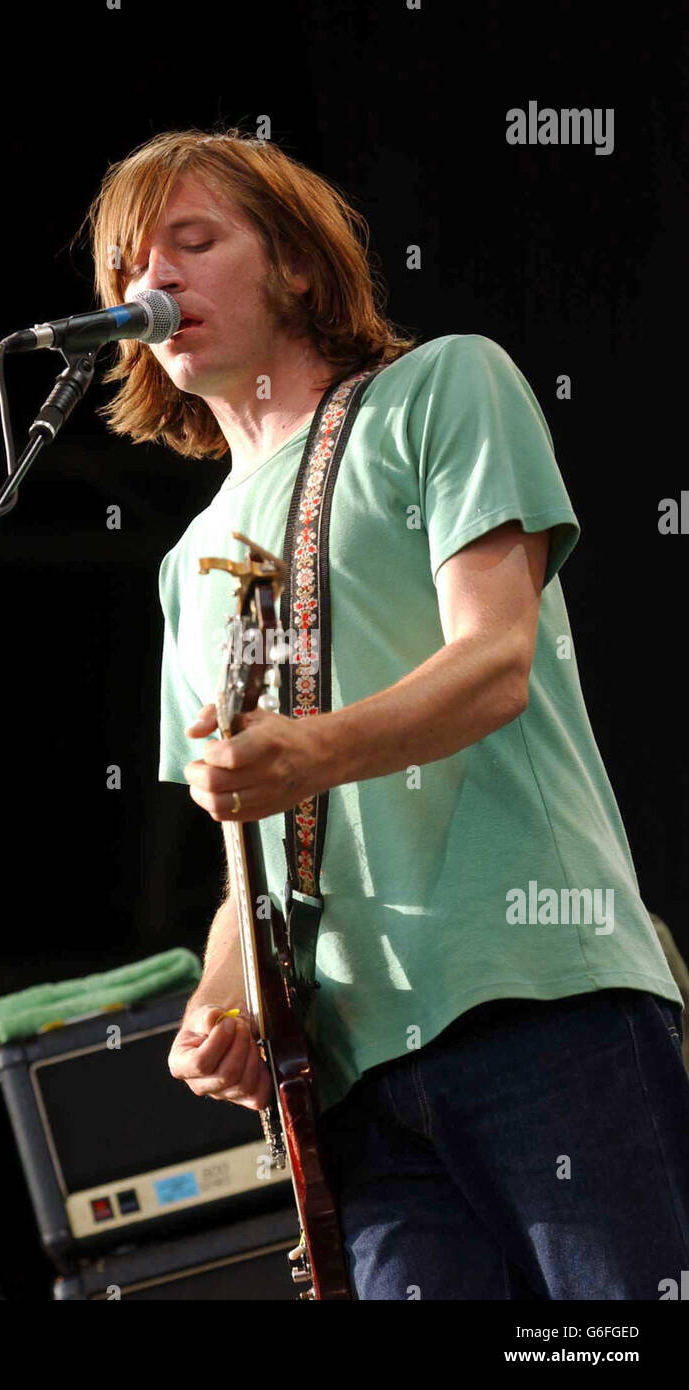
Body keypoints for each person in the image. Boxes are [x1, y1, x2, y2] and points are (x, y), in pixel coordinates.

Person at [83, 127, 689, 1299]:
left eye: (193, 243)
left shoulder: (442, 386)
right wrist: (222, 1000)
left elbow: (494, 660)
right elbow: (241, 848)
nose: (150, 285)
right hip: (350, 1080)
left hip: (532, 994)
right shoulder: (187, 560)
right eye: (125, 272)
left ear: (298, 266)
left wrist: (305, 749)